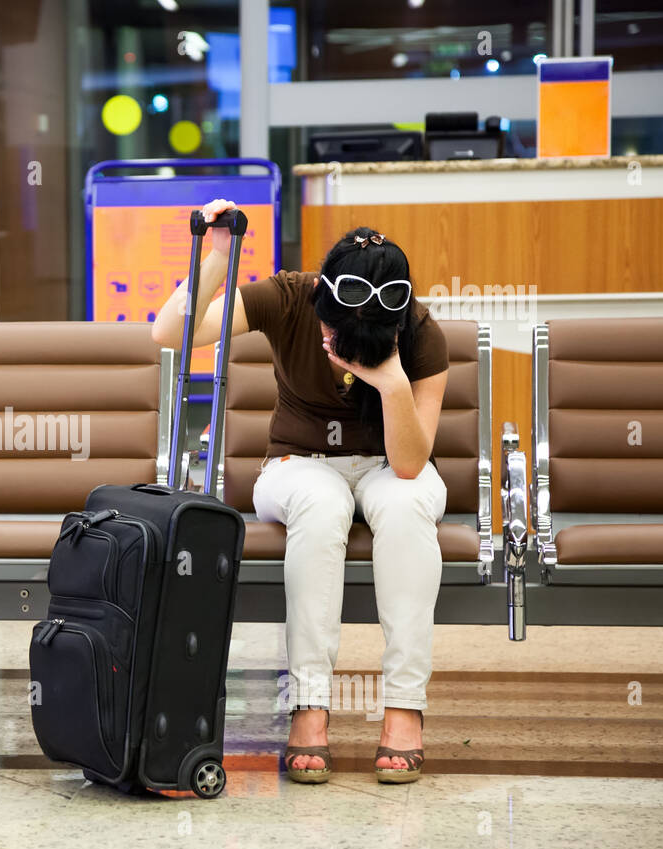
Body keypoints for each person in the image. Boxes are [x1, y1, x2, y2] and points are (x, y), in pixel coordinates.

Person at [150, 198, 449, 784]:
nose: (342, 345)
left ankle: (405, 710)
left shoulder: (419, 332)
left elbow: (412, 465)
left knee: (409, 504)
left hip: (392, 466)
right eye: (336, 332)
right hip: (297, 464)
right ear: (323, 304)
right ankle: (309, 707)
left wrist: (390, 383)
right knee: (321, 501)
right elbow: (171, 334)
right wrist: (218, 255)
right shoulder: (291, 297)